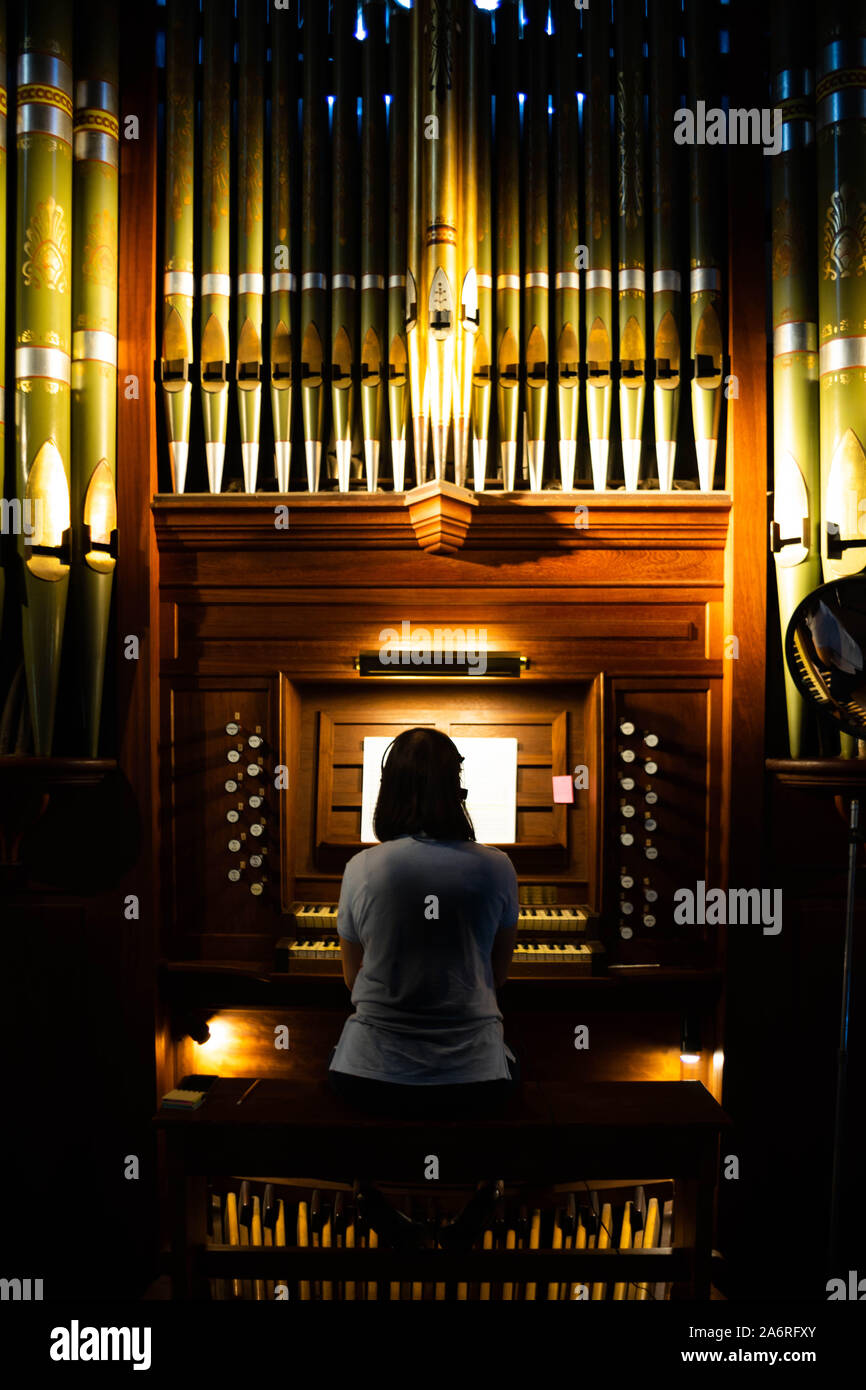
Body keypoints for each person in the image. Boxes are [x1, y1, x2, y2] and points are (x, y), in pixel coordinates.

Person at [328, 727, 520, 1117]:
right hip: (473, 1077)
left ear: (388, 792)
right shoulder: (498, 866)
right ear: (456, 790)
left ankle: (366, 1177)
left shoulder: (360, 867)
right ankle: (485, 1177)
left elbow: (351, 979)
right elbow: (498, 976)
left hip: (369, 1075)